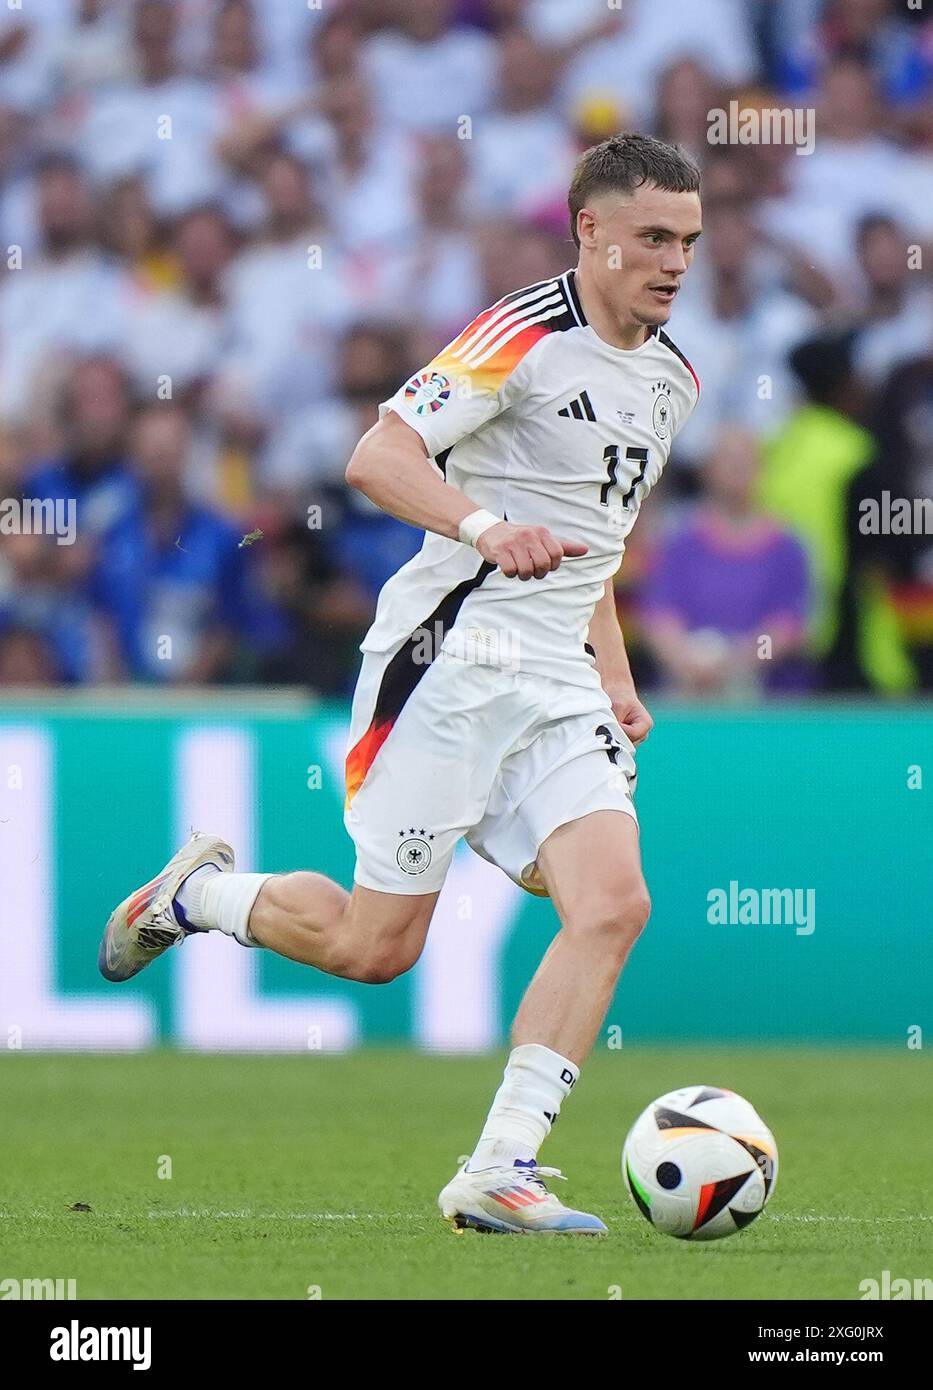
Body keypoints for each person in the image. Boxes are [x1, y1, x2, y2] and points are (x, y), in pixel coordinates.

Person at [98, 132, 703, 1235]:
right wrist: (483, 524)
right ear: (592, 232)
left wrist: (614, 678)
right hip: (448, 666)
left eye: (689, 241)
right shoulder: (520, 334)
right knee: (377, 950)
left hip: (558, 684)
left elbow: (595, 544)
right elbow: (377, 456)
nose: (673, 261)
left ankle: (500, 1168)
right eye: (653, 237)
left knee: (612, 905)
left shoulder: (672, 378)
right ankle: (198, 896)